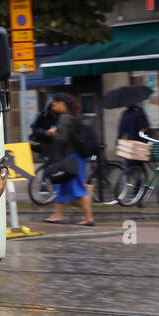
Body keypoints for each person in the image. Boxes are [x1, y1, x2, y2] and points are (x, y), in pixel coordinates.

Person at [43, 94, 95, 227]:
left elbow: (63, 139)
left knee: (76, 188)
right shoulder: (66, 117)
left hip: (73, 158)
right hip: (71, 157)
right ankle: (57, 215)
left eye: (55, 103)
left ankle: (89, 218)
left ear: (62, 104)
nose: (53, 106)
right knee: (62, 186)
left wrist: (53, 133)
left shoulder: (65, 118)